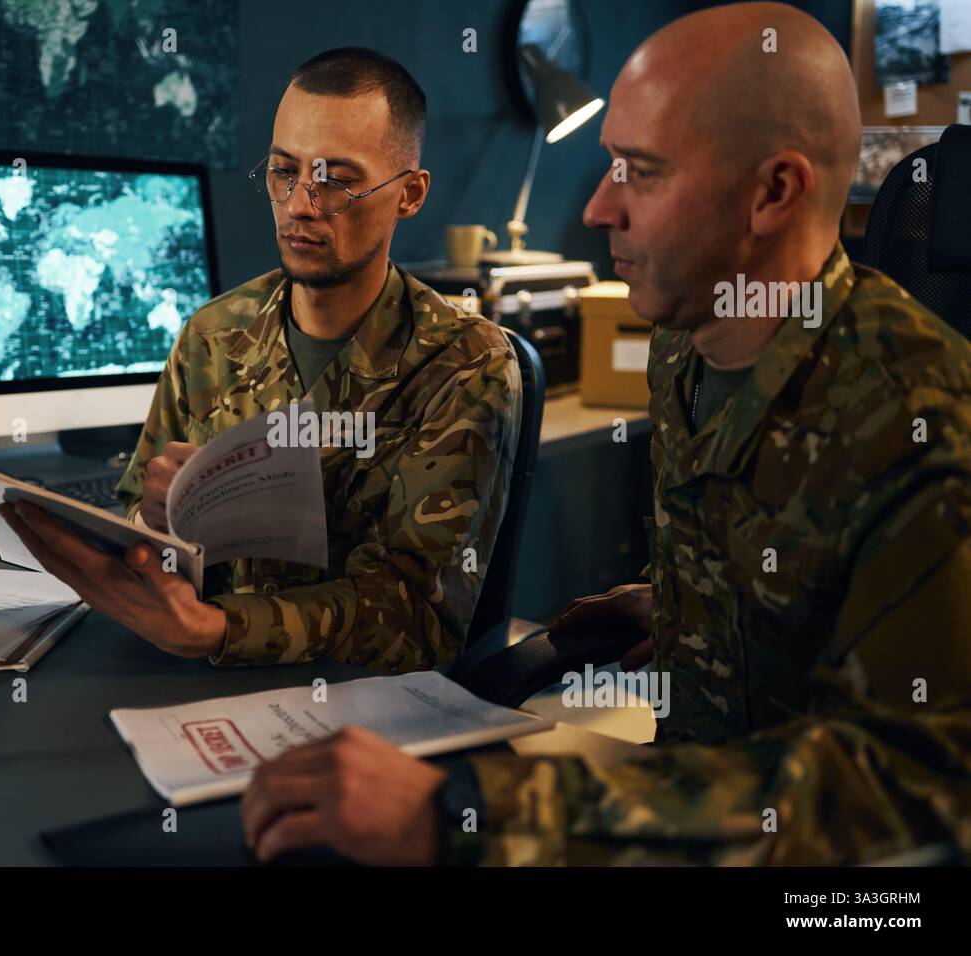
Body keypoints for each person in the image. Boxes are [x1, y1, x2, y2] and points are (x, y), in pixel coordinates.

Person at [238, 2, 971, 866]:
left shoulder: (920, 423)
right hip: (673, 804)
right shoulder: (684, 343)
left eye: (641, 172)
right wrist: (685, 606)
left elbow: (910, 788)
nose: (595, 208)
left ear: (774, 193)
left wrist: (482, 812)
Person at [0, 48, 520, 673]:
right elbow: (133, 515)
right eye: (283, 172)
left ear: (409, 194)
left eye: (337, 180)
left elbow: (419, 618)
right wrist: (155, 520)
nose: (301, 204)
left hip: (362, 715)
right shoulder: (213, 333)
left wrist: (215, 629)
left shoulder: (464, 362)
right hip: (191, 681)